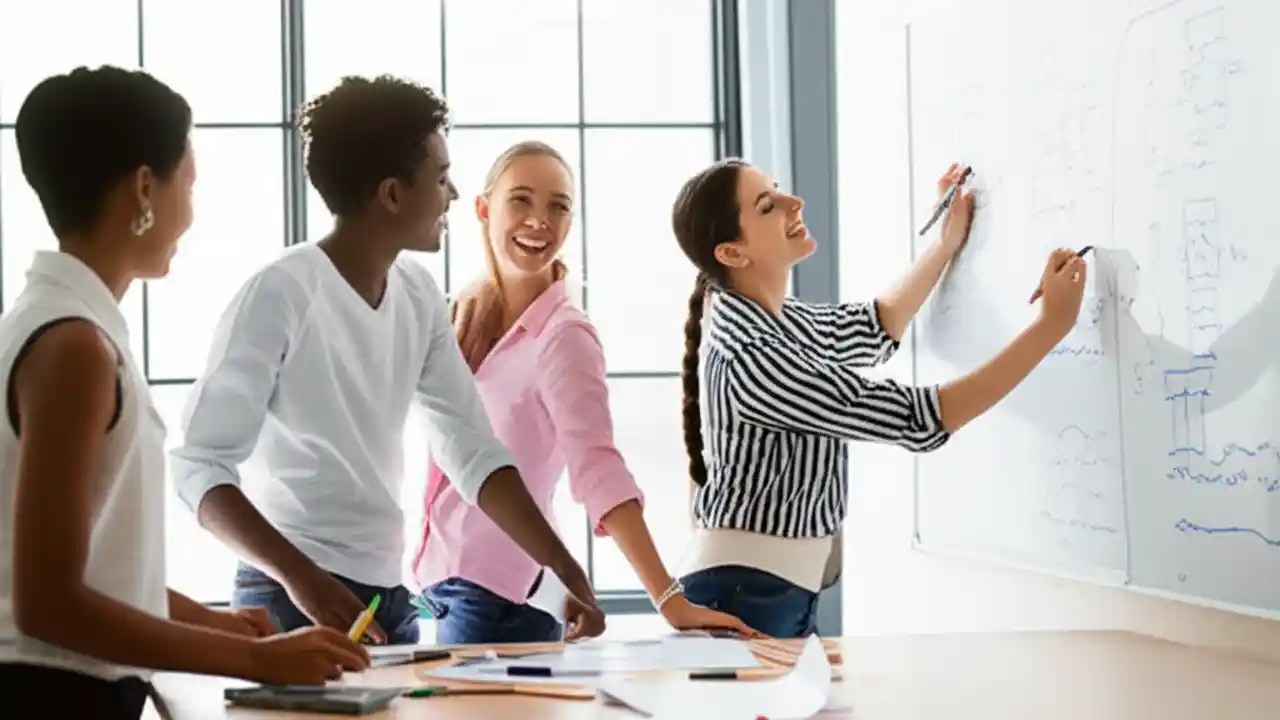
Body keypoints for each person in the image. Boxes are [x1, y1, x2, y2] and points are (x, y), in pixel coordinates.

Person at [170, 76, 602, 647]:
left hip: (386, 600)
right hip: (288, 595)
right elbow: (199, 466)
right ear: (393, 195)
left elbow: (472, 451)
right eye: (441, 178)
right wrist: (304, 581)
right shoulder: (280, 293)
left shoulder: (418, 295)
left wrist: (563, 567)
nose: (452, 196)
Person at [0, 66, 370, 719]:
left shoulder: (51, 322)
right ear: (145, 187)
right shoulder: (75, 348)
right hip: (52, 699)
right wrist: (255, 659)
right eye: (189, 184)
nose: (192, 214)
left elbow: (91, 570)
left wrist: (215, 623)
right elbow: (47, 604)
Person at [671, 158, 1087, 637]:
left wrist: (945, 243)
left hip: (763, 588)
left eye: (779, 188)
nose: (794, 202)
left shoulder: (767, 317)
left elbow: (872, 328)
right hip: (743, 594)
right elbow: (920, 418)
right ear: (732, 253)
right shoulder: (753, 355)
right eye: (768, 206)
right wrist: (1051, 326)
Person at [415, 142, 759, 644]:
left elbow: (598, 468)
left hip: (502, 602)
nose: (540, 220)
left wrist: (668, 597)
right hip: (445, 586)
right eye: (521, 200)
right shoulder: (464, 315)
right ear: (484, 209)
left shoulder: (565, 336)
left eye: (558, 206)